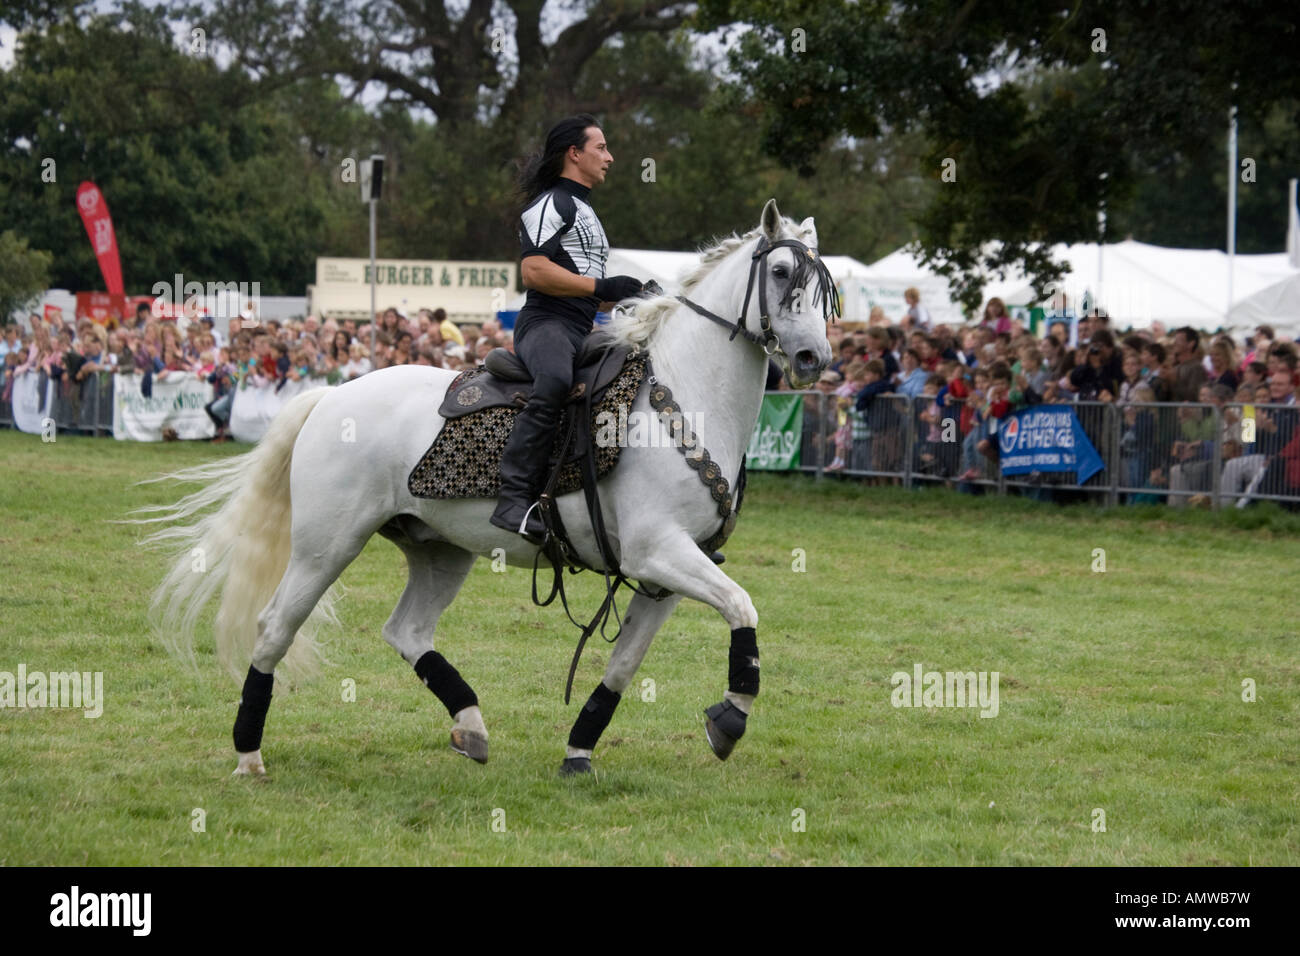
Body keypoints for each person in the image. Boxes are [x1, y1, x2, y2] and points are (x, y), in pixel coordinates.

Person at [489, 114, 643, 543]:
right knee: (555, 381)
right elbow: (535, 271)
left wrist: (633, 295)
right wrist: (600, 286)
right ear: (574, 154)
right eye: (601, 148)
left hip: (583, 326)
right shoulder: (550, 204)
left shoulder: (588, 211)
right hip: (545, 324)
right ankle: (513, 499)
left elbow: (592, 289)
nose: (610, 157)